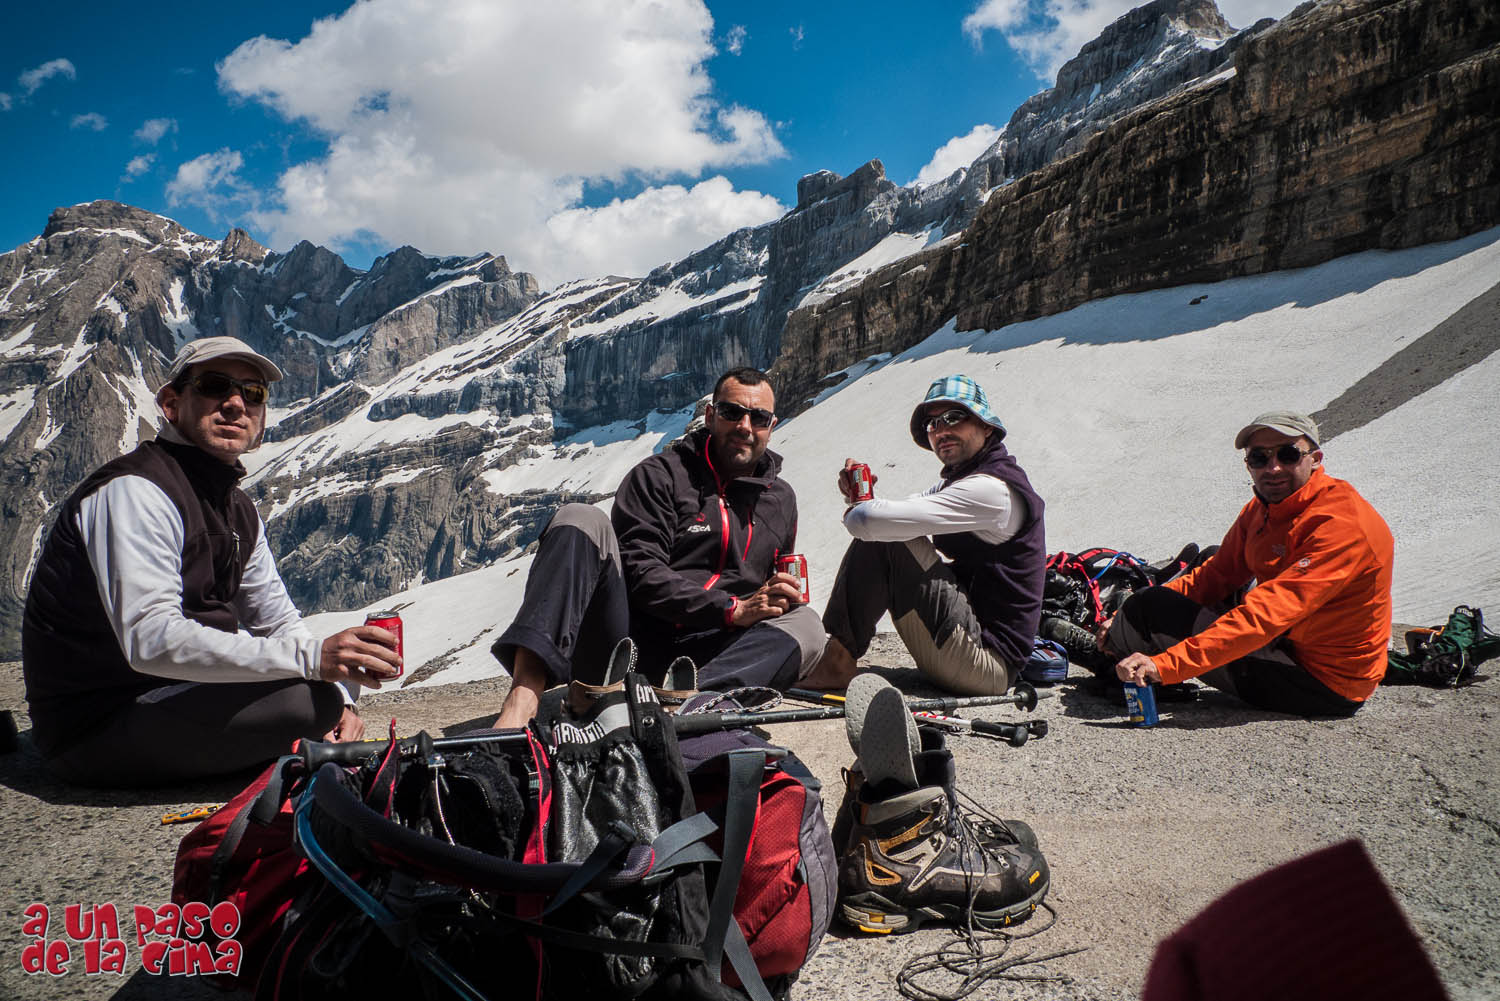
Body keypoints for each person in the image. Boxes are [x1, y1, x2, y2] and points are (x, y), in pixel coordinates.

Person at [22, 336, 402, 786]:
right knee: (306, 704)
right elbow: (152, 640)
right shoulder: (134, 490)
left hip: (174, 697)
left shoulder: (236, 506)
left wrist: (343, 696)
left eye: (253, 393)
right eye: (214, 386)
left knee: (322, 695)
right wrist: (316, 665)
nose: (236, 404)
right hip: (96, 725)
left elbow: (278, 620)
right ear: (170, 402)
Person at [492, 367, 846, 727]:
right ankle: (524, 698)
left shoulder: (780, 499)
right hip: (627, 647)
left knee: (807, 626)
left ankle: (687, 709)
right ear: (710, 416)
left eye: (758, 418)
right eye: (731, 412)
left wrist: (775, 598)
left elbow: (768, 588)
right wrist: (731, 608)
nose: (744, 426)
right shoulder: (660, 476)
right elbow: (641, 573)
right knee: (579, 518)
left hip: (710, 657)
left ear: (772, 426)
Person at [1104, 411, 1394, 716]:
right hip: (1291, 644)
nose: (1273, 467)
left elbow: (1263, 618)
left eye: (1288, 454)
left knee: (1149, 609)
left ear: (1316, 459)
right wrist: (1125, 615)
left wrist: (1164, 664)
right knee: (1188, 575)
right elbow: (1217, 574)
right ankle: (1123, 638)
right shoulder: (1265, 507)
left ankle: (1120, 665)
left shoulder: (1341, 525)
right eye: (1259, 457)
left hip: (1321, 682)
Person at [819, 374, 1047, 695]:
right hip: (973, 653)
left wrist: (862, 507)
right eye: (933, 424)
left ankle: (835, 663)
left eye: (954, 417)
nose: (941, 431)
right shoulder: (965, 480)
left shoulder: (991, 489)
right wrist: (863, 500)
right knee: (893, 532)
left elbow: (869, 522)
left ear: (986, 426)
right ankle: (835, 657)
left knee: (891, 540)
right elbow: (899, 511)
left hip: (986, 667)